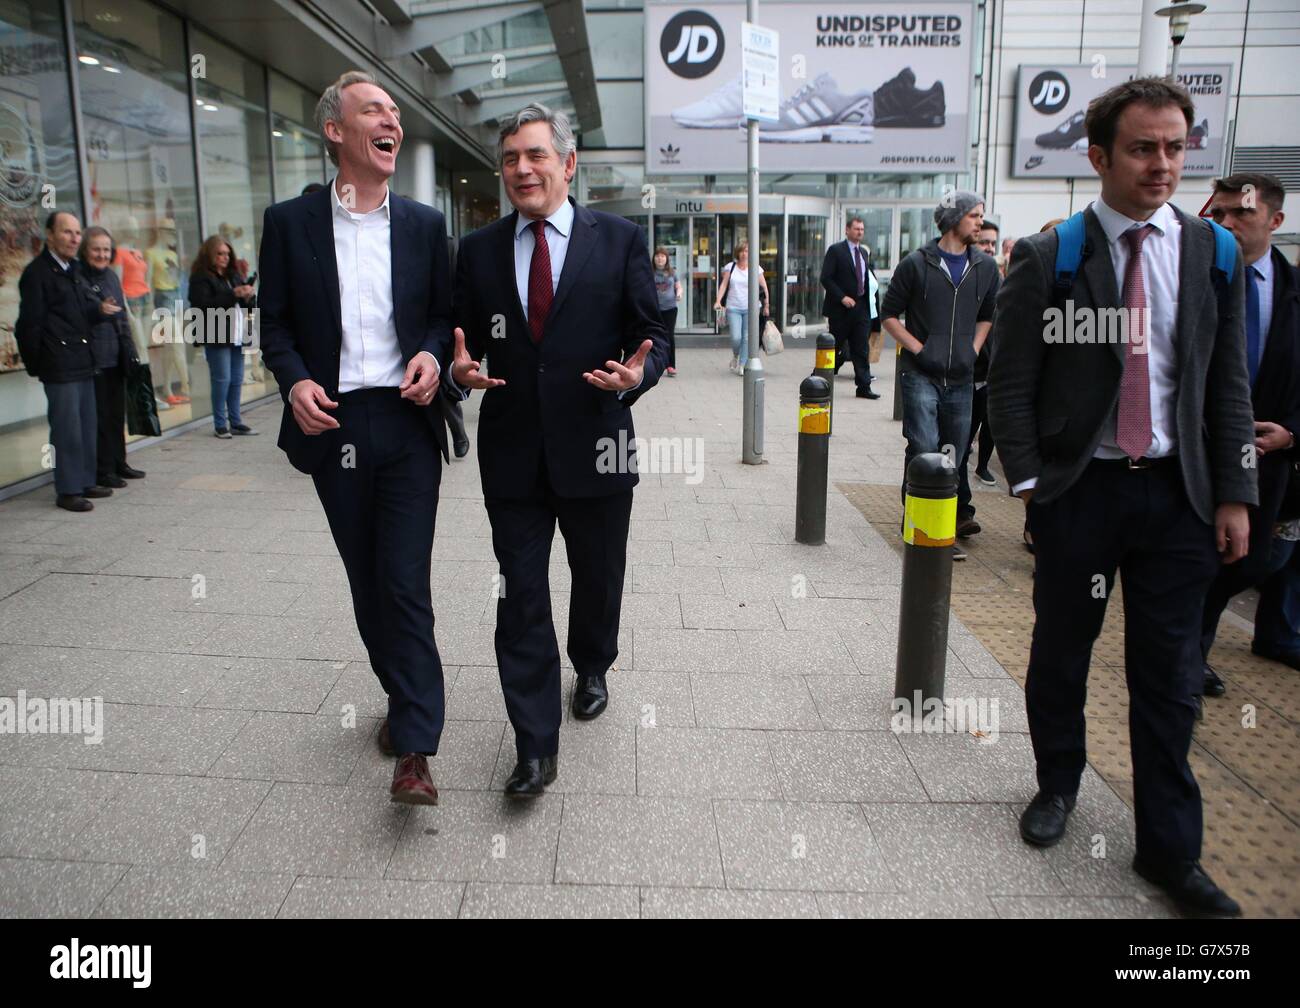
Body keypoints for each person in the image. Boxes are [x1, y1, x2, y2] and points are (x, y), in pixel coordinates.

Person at [988, 77, 1256, 918]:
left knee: (1170, 678)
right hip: (1083, 492)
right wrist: (1030, 483)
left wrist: (1236, 492)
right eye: (1143, 148)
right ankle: (1057, 786)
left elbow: (1226, 383)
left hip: (1179, 499)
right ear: (1099, 156)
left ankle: (1171, 852)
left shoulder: (1211, 253)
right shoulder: (1051, 254)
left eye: (1175, 147)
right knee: (1062, 653)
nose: (1162, 165)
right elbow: (1011, 382)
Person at [450, 102, 668, 798]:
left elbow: (651, 332)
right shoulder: (478, 250)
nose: (522, 169)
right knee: (520, 596)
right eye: (511, 157)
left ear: (568, 164)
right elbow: (461, 341)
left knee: (597, 575)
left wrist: (639, 374)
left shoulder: (620, 240)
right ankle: (534, 746)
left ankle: (594, 661)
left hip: (598, 444)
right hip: (513, 455)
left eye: (536, 154)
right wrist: (457, 370)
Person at [258, 70, 455, 806]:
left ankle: (415, 746)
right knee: (367, 583)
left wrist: (434, 356)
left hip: (406, 421)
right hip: (334, 422)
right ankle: (403, 696)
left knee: (404, 581)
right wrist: (293, 378)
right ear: (335, 131)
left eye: (396, 113)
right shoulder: (290, 223)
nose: (391, 121)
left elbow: (441, 315)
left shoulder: (426, 224)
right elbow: (272, 322)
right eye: (373, 109)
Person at [1200, 173, 1300, 693]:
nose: (1228, 224)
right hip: (1193, 456)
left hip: (1271, 464)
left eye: (1242, 215)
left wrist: (1292, 435)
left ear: (1276, 222)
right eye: (1219, 214)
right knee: (1194, 564)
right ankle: (1185, 669)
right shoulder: (1191, 277)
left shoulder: (1291, 292)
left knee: (1250, 562)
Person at [881, 191, 1000, 559]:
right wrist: (920, 349)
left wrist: (973, 349)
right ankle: (921, 527)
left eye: (981, 216)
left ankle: (941, 525)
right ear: (952, 219)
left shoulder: (984, 267)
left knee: (954, 453)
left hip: (962, 378)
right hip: (920, 375)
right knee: (923, 448)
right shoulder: (916, 264)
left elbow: (988, 315)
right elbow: (888, 316)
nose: (980, 222)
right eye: (974, 216)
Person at [15, 212, 123, 512]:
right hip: (59, 363)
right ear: (50, 235)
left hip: (83, 359)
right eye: (67, 232)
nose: (74, 238)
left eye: (77, 233)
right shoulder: (38, 273)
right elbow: (29, 325)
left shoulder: (75, 269)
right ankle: (68, 489)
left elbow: (81, 312)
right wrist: (37, 364)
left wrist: (99, 311)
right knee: (67, 430)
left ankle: (86, 480)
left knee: (87, 425)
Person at [79, 226, 144, 487]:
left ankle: (120, 462)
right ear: (85, 250)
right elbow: (83, 312)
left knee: (117, 416)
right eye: (96, 249)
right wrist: (98, 310)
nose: (101, 254)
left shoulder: (112, 277)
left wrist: (130, 348)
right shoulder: (79, 276)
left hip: (116, 356)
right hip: (94, 359)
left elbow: (123, 317)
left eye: (106, 249)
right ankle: (103, 470)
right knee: (100, 418)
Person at [188, 235, 258, 439]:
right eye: (219, 253)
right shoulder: (200, 277)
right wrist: (234, 294)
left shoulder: (233, 275)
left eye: (227, 253)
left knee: (236, 379)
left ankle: (236, 421)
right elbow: (203, 306)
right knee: (222, 379)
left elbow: (244, 305)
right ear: (209, 254)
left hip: (237, 331)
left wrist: (247, 295)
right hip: (216, 333)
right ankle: (220, 424)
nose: (224, 257)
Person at [821, 216, 880, 399]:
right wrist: (842, 297)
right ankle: (819, 380)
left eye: (862, 229)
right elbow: (826, 278)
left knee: (861, 348)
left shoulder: (863, 252)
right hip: (841, 310)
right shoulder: (836, 251)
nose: (860, 232)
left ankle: (864, 386)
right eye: (856, 229)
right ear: (847, 230)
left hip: (861, 308)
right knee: (832, 346)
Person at [966, 220, 1000, 491]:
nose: (989, 248)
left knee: (990, 422)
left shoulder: (999, 278)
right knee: (964, 430)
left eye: (993, 244)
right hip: (966, 368)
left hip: (993, 368)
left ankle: (983, 465)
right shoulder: (967, 276)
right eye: (984, 242)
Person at [145, 220, 189, 405]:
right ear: (159, 231)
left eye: (173, 230)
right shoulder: (151, 253)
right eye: (168, 230)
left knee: (170, 350)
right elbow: (147, 281)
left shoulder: (172, 254)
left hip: (176, 297)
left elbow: (177, 280)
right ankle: (187, 386)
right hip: (162, 299)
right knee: (177, 344)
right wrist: (149, 308)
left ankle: (167, 389)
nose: (172, 234)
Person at [714, 240, 768, 374]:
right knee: (736, 337)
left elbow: (764, 287)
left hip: (752, 307)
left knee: (746, 337)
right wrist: (718, 300)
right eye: (742, 251)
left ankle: (743, 365)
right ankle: (735, 355)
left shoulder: (756, 268)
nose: (744, 254)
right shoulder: (730, 267)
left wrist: (766, 305)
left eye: (747, 251)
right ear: (737, 253)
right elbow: (724, 285)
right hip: (733, 307)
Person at [652, 247, 681, 376]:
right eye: (657, 256)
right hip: (654, 309)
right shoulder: (649, 272)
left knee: (669, 336)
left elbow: (678, 286)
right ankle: (656, 364)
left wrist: (679, 293)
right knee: (654, 336)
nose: (660, 258)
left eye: (663, 256)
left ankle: (670, 365)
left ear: (667, 259)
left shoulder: (672, 272)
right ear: (654, 258)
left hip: (670, 308)